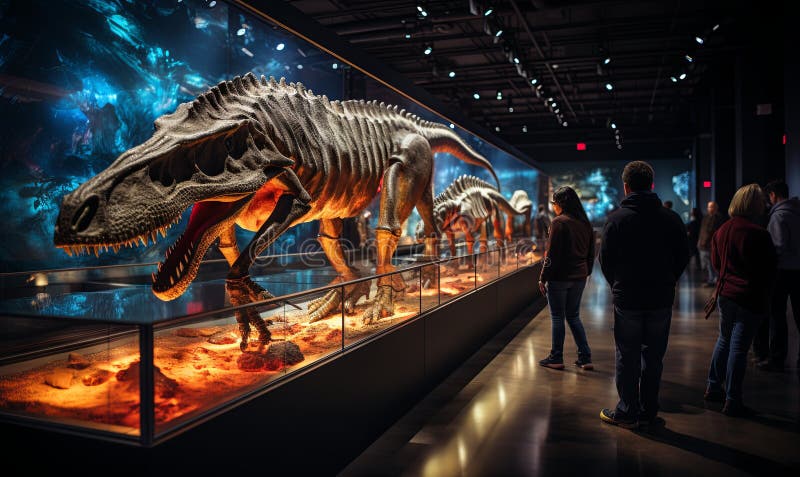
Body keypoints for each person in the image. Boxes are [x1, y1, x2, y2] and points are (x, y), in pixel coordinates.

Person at [599, 161, 690, 428]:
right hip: (660, 298)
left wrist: (617, 284)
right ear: (651, 184)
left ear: (625, 187)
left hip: (627, 298)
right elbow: (683, 256)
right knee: (654, 356)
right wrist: (668, 280)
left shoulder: (615, 220)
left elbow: (605, 261)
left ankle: (627, 410)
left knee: (627, 355)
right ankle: (649, 411)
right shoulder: (671, 219)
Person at [704, 184, 776, 416]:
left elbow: (716, 264)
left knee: (724, 340)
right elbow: (767, 268)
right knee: (739, 348)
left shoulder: (722, 230)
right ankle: (733, 400)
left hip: (725, 294)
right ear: (754, 204)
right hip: (749, 296)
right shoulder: (758, 233)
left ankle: (713, 386)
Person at [538, 186, 595, 370]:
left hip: (560, 277)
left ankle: (556, 357)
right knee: (573, 316)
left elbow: (551, 255)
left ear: (561, 203)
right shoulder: (585, 222)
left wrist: (542, 277)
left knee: (557, 317)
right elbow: (591, 253)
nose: (553, 207)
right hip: (579, 276)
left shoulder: (559, 222)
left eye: (554, 203)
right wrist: (587, 272)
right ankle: (585, 358)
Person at [760, 180, 800, 371]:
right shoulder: (797, 211)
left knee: (777, 315)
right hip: (799, 271)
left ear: (773, 195)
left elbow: (778, 247)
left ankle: (777, 359)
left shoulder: (778, 216)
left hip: (782, 272)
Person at [698, 201, 726, 286]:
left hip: (711, 245)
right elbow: (702, 231)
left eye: (711, 207)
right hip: (703, 245)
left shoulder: (718, 218)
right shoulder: (705, 217)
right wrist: (700, 241)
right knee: (706, 263)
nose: (709, 208)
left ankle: (713, 280)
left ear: (716, 208)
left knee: (712, 263)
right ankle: (711, 279)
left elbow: (713, 232)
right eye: (708, 207)